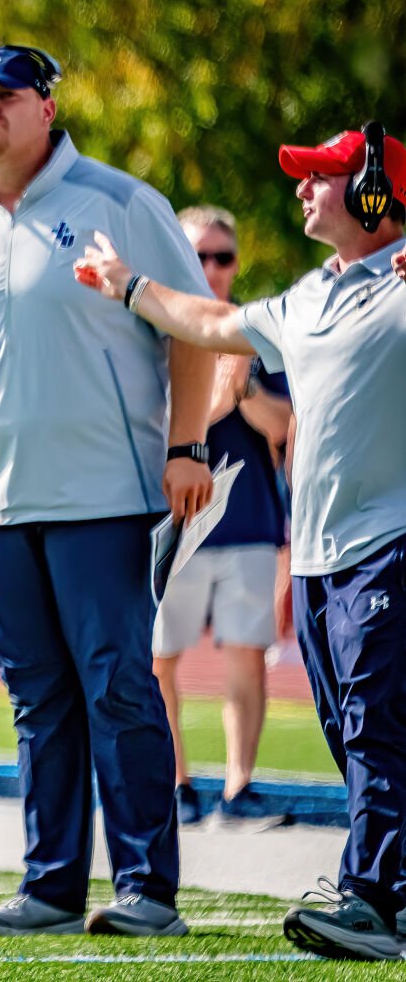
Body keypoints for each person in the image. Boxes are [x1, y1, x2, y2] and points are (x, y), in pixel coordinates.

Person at [0, 45, 215, 938]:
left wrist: (187, 444)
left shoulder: (120, 202)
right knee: (35, 697)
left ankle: (149, 889)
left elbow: (190, 330)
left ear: (46, 106)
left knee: (117, 686)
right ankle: (48, 888)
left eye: (2, 95)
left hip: (103, 494)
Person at [76, 123, 406, 961]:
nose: (300, 190)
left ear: (374, 195)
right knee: (349, 727)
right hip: (326, 551)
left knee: (374, 725)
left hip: (388, 544)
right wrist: (127, 286)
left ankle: (369, 897)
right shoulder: (310, 296)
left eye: (320, 178)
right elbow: (210, 319)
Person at [152, 207, 291, 827]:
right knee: (159, 660)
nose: (211, 268)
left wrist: (246, 391)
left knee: (245, 656)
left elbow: (284, 424)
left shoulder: (260, 330)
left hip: (249, 522)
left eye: (222, 257)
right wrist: (215, 398)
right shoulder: (153, 329)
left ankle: (239, 790)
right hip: (176, 525)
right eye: (199, 256)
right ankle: (177, 784)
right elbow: (161, 431)